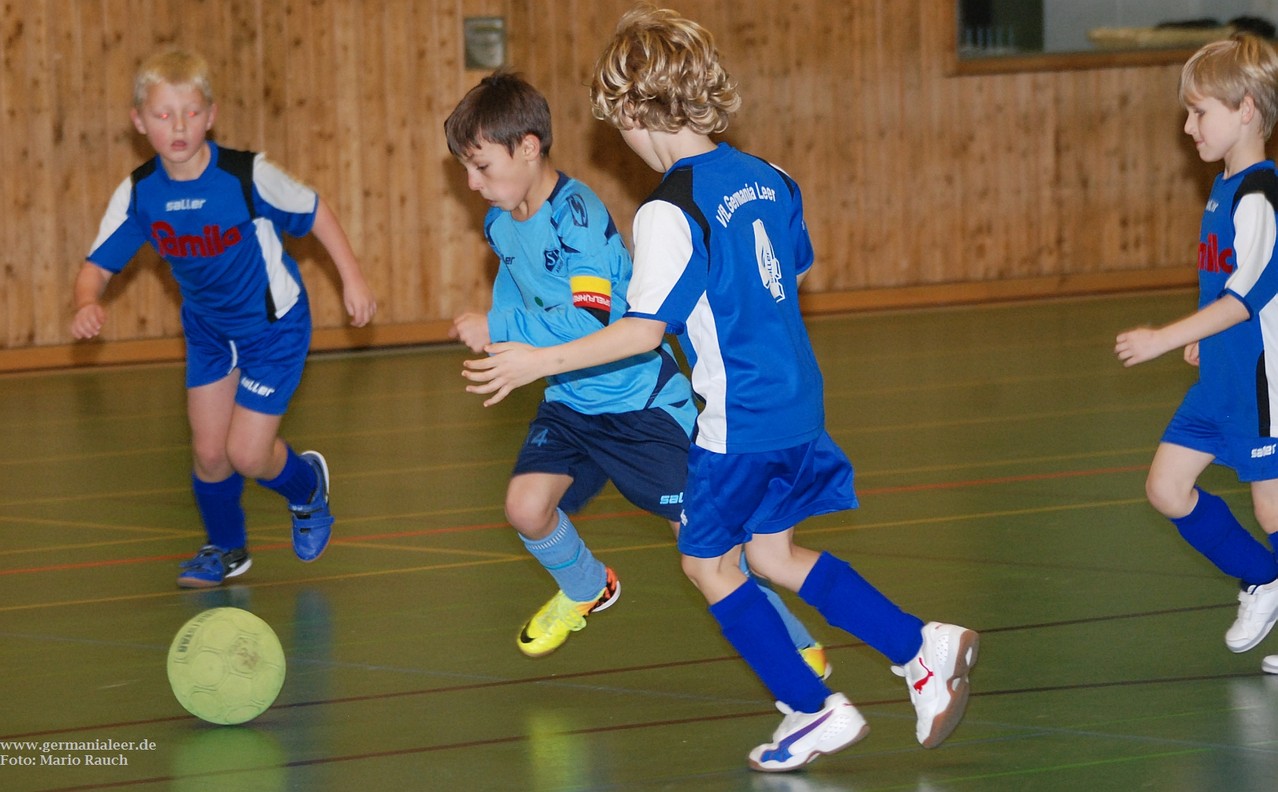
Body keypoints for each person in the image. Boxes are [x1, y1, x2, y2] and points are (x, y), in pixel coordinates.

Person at [461, 7, 979, 772]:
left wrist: (536, 363)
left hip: (739, 420)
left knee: (708, 565)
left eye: (618, 121)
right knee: (773, 556)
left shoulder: (670, 210)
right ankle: (920, 648)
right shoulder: (773, 177)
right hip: (799, 405)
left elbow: (642, 332)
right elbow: (792, 270)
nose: (621, 137)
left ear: (636, 111)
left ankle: (814, 708)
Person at [444, 71, 831, 674]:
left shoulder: (577, 217)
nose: (472, 183)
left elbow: (592, 318)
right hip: (572, 402)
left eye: (481, 167)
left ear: (528, 147)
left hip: (640, 405)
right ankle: (586, 586)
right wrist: (500, 331)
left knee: (708, 546)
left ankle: (793, 641)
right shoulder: (499, 224)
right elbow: (515, 290)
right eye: (466, 169)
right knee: (526, 507)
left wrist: (500, 328)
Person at [71, 49, 376, 588]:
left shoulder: (245, 175)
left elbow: (315, 212)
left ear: (210, 116)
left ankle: (307, 488)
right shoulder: (140, 193)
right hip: (210, 333)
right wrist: (87, 301)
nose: (178, 126)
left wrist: (352, 278)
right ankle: (227, 549)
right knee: (211, 453)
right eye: (163, 114)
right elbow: (96, 267)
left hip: (274, 329)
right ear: (139, 121)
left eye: (190, 112)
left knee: (247, 454)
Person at [1116, 33, 1278, 676]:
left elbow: (1245, 297)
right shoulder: (1223, 187)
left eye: (1199, 111)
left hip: (1262, 381)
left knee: (1271, 506)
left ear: (1246, 110)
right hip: (1221, 377)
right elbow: (1223, 286)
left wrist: (1165, 337)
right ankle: (1263, 577)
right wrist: (1203, 341)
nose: (1188, 127)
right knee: (1166, 488)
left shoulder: (1260, 194)